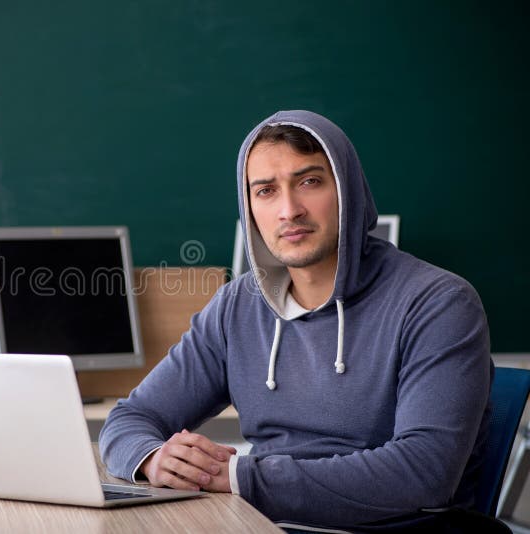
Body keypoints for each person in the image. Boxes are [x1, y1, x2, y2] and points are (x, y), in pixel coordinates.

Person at [98, 110, 499, 532]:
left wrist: (238, 476)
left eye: (309, 182)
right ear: (250, 209)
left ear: (348, 190)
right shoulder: (238, 305)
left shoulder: (438, 303)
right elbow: (130, 418)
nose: (289, 210)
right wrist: (154, 459)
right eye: (266, 191)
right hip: (266, 524)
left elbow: (423, 473)